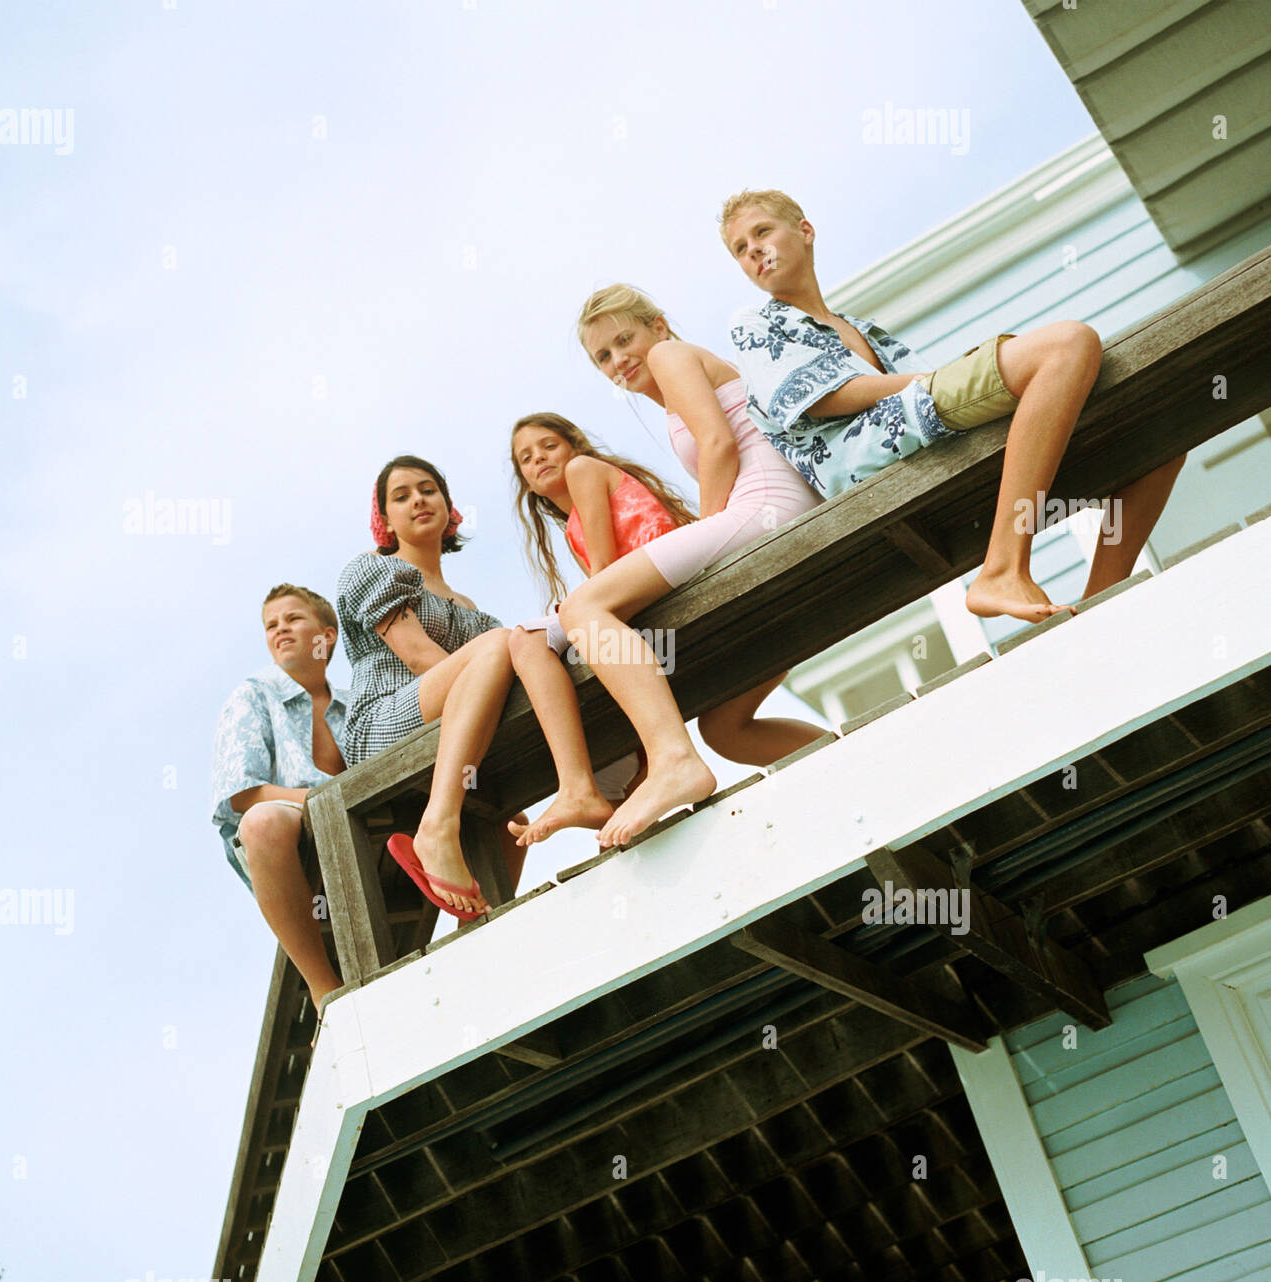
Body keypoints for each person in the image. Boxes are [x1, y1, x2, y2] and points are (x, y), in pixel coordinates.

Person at [719, 188, 1186, 622]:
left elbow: (933, 394)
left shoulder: (862, 327)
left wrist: (938, 383)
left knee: (1156, 432)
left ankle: (1101, 603)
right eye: (739, 249)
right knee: (1066, 344)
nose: (753, 250)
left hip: (923, 434)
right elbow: (822, 399)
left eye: (762, 232)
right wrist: (930, 381)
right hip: (867, 457)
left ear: (804, 231)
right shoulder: (754, 323)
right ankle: (1002, 570)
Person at [558, 285, 831, 848]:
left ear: (658, 326)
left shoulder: (671, 355)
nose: (619, 360)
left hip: (766, 508)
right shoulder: (672, 379)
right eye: (602, 357)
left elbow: (719, 446)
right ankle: (844, 762)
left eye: (623, 339)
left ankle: (671, 758)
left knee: (584, 605)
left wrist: (707, 549)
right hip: (769, 508)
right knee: (727, 730)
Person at [335, 457, 530, 921]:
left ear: (449, 506)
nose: (418, 500)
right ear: (384, 520)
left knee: (513, 820)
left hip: (444, 720)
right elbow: (422, 659)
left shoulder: (471, 610)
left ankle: (489, 921)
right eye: (401, 496)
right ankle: (437, 826)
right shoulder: (370, 570)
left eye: (428, 490)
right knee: (499, 646)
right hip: (380, 723)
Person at [506, 411, 695, 844]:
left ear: (574, 445)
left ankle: (581, 787)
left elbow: (605, 573)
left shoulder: (583, 469)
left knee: (527, 638)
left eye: (548, 446)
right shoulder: (573, 528)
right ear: (527, 483)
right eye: (526, 459)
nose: (539, 459)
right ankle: (619, 781)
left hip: (663, 584)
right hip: (648, 599)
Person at [210, 584, 347, 1024]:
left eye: (293, 619)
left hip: (362, 823)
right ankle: (324, 989)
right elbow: (244, 792)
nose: (280, 629)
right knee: (260, 821)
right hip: (293, 833)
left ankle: (471, 940)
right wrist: (322, 799)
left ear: (326, 636)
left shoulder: (356, 703)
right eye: (271, 625)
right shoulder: (253, 694)